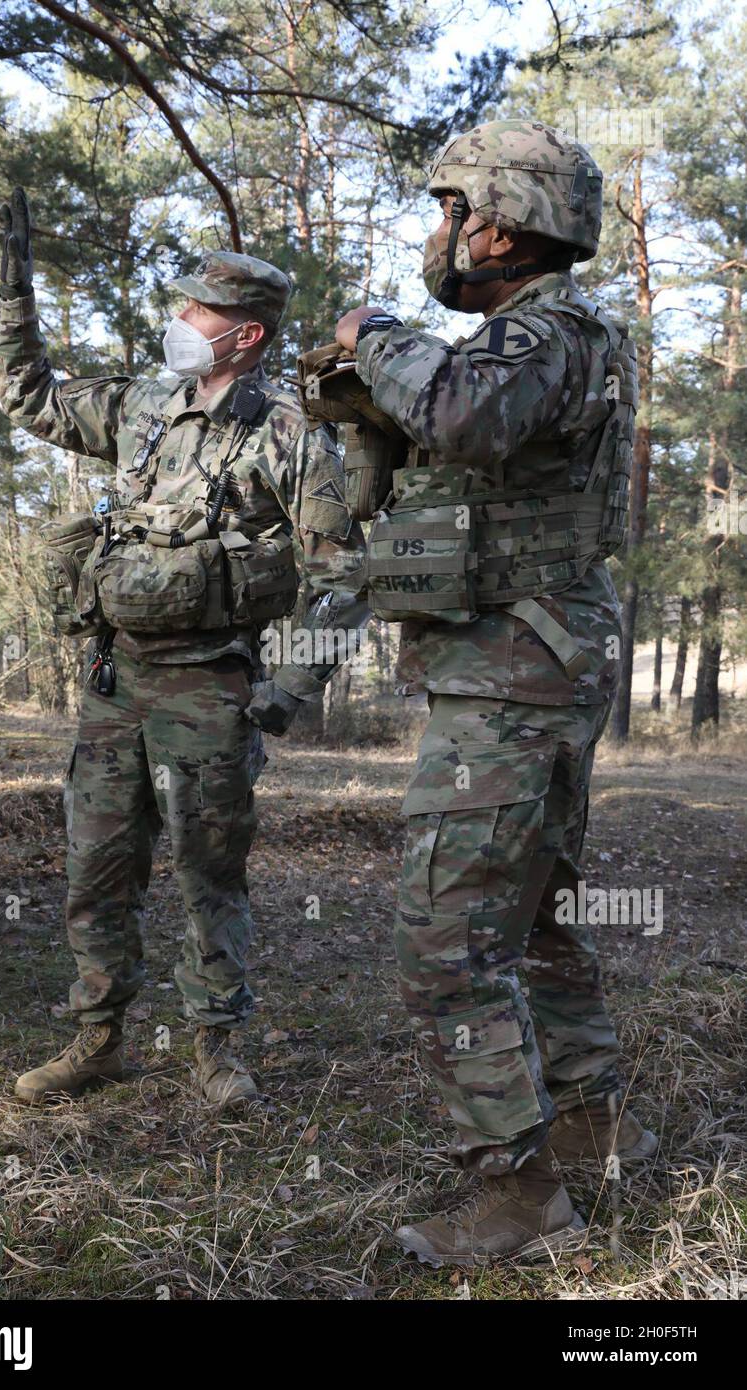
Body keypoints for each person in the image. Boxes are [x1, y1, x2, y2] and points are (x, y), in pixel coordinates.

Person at [320, 119, 657, 1266]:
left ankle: (518, 1197)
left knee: (447, 936)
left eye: (449, 210)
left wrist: (372, 333)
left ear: (500, 226)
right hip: (527, 663)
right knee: (534, 914)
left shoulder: (544, 330)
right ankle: (588, 1126)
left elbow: (461, 412)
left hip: (514, 675)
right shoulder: (550, 336)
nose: (440, 234)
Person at [0, 189, 366, 1108]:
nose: (182, 320)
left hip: (210, 690)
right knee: (97, 866)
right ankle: (98, 1038)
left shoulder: (288, 433)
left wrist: (287, 691)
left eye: (199, 309)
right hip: (116, 681)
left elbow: (348, 576)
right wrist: (13, 294)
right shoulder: (141, 405)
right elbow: (28, 397)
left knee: (209, 873)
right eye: (186, 303)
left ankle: (216, 1048)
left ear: (246, 334)